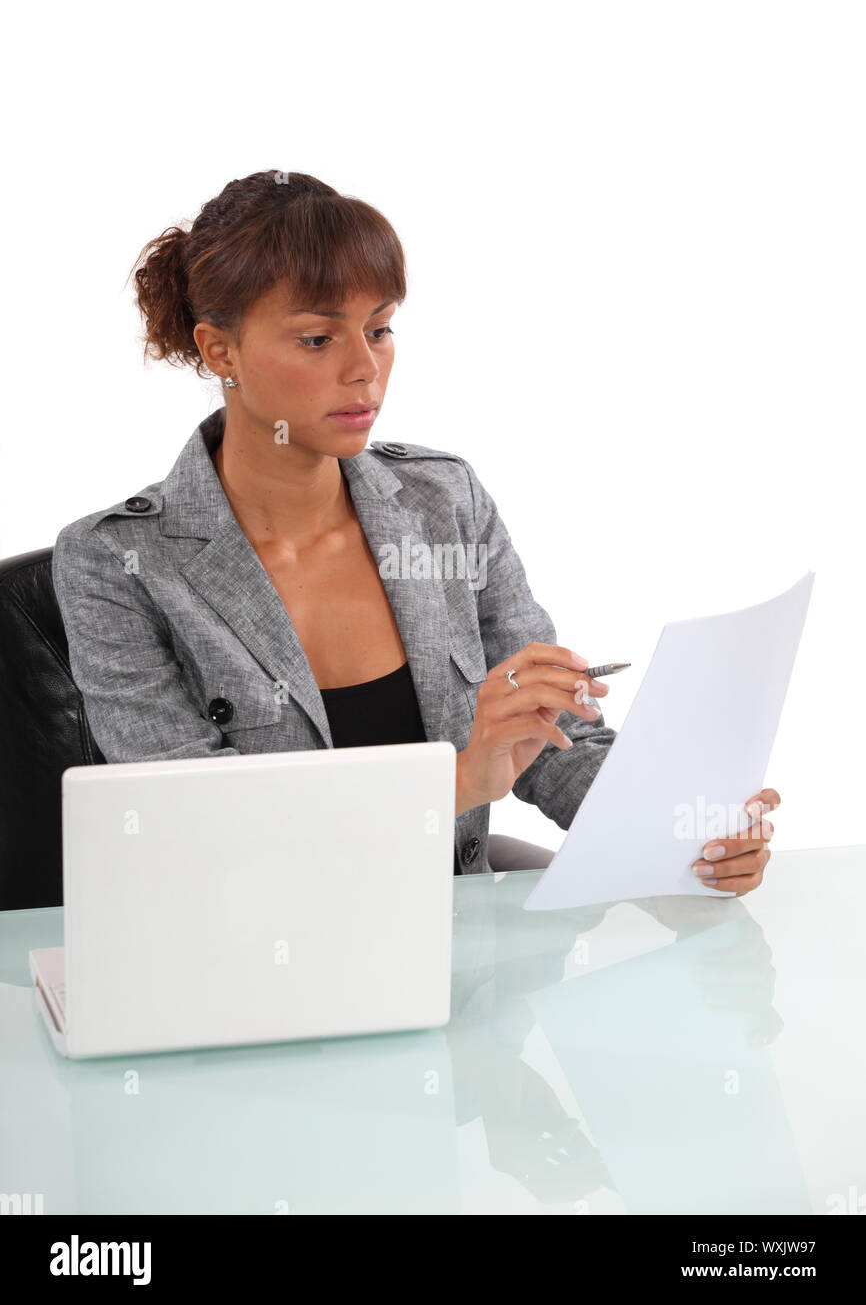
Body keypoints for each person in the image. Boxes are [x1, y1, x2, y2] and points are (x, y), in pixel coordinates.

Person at [51, 170, 778, 884]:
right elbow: (204, 830)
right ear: (220, 352)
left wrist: (684, 833)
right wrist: (458, 786)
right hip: (260, 964)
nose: (364, 368)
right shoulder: (115, 561)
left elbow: (553, 742)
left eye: (380, 329)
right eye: (316, 339)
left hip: (456, 946)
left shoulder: (442, 502)